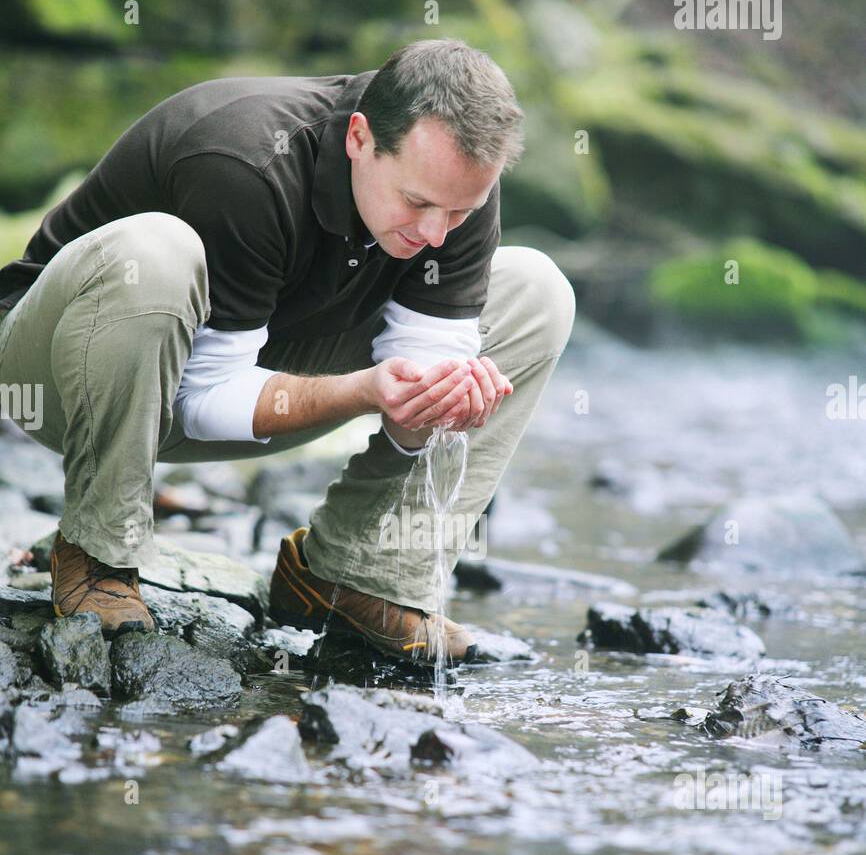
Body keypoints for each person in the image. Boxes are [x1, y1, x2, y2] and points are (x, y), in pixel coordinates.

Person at [0, 38, 575, 664]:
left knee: (538, 290)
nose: (436, 233)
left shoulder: (459, 185)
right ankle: (99, 550)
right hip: (63, 375)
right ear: (359, 139)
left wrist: (429, 408)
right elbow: (200, 399)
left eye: (458, 212)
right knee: (156, 252)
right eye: (417, 203)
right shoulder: (243, 161)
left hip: (254, 369)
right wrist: (362, 391)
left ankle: (355, 575)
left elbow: (416, 390)